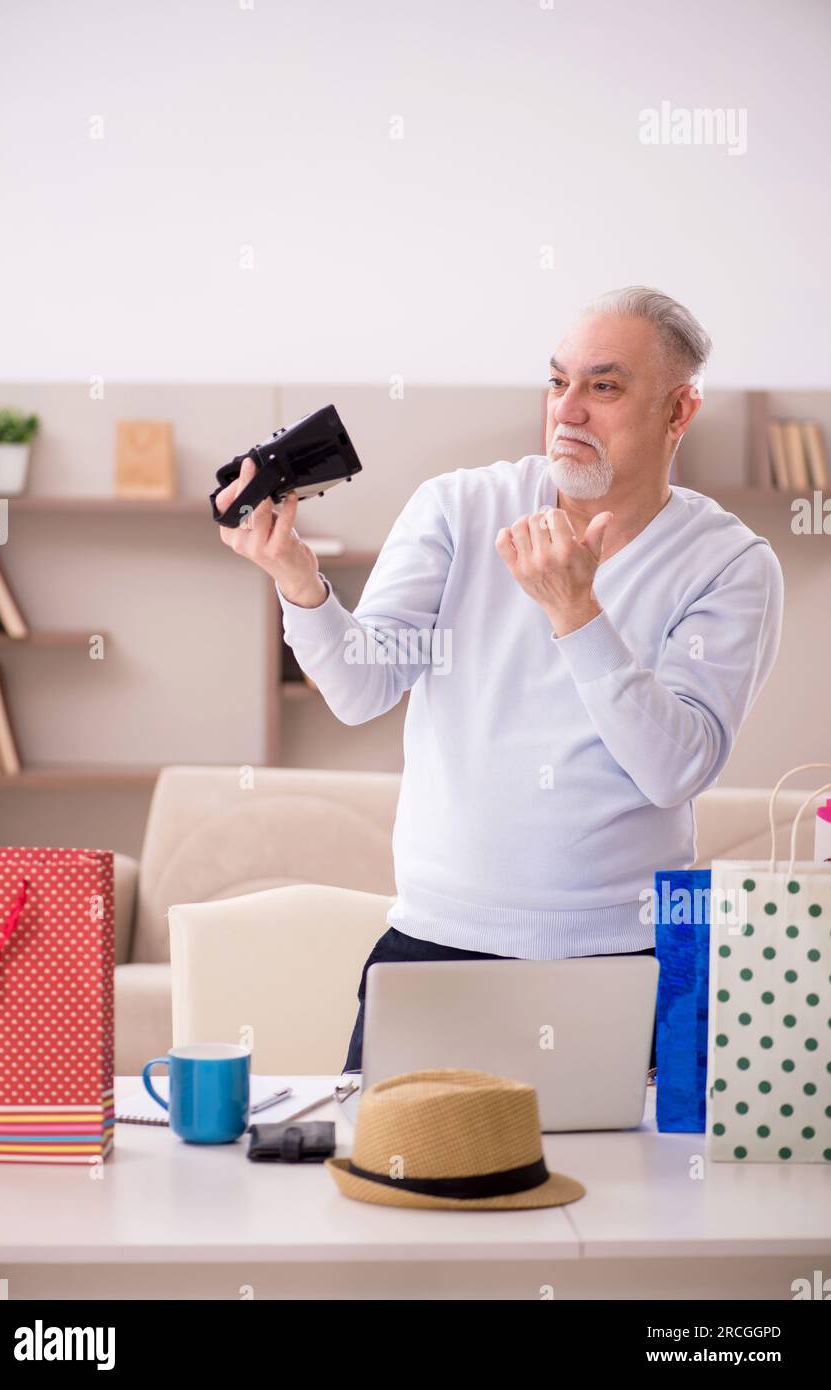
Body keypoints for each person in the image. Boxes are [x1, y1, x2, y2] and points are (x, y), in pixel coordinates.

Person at [214, 285, 784, 1077]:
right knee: (385, 1184)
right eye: (558, 382)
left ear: (678, 411)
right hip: (433, 946)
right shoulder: (459, 506)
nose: (568, 411)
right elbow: (360, 688)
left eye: (604, 386)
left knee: (636, 1199)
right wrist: (298, 582)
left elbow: (675, 769)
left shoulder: (729, 564)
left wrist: (578, 613)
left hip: (623, 961)